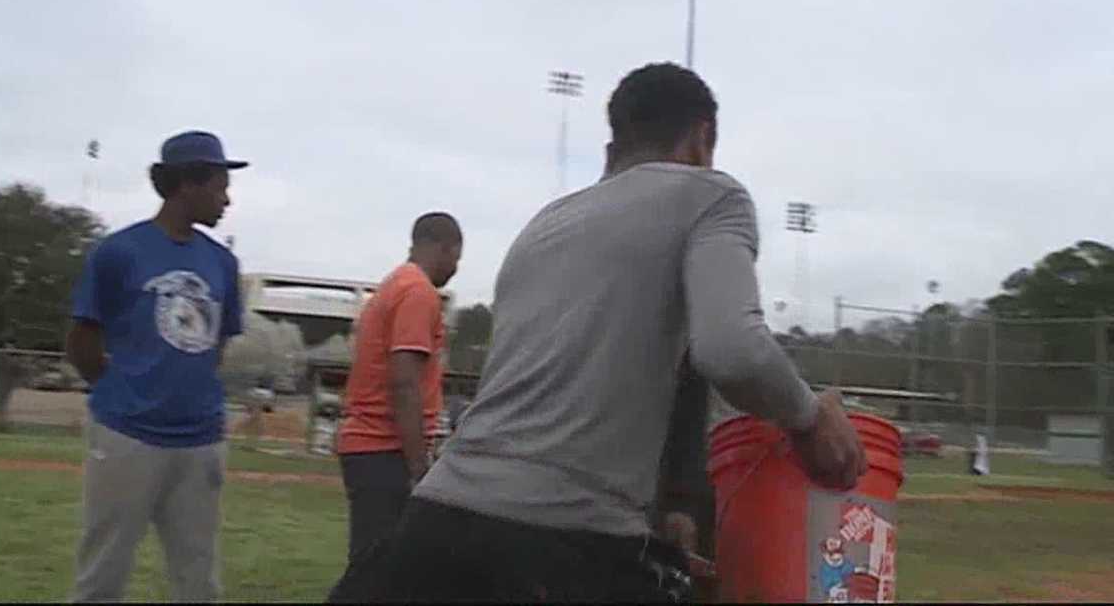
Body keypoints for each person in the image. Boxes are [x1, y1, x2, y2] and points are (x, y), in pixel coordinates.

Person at [369, 62, 868, 602]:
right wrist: (811, 420)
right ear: (702, 140)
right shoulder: (712, 196)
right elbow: (733, 350)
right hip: (558, 543)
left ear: (614, 145)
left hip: (432, 529)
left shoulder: (543, 225)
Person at [65, 130, 248, 602]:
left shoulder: (222, 263)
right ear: (188, 182)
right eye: (219, 185)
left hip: (200, 439)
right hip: (126, 435)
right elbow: (83, 339)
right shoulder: (119, 252)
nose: (227, 198)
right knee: (102, 574)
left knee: (198, 579)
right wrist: (124, 391)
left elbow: (216, 345)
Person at [326, 212, 463, 604]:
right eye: (457, 258)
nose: (455, 268)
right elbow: (404, 382)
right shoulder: (417, 292)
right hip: (383, 447)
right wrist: (418, 465)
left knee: (386, 569)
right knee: (373, 574)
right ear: (446, 247)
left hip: (372, 445)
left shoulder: (393, 285)